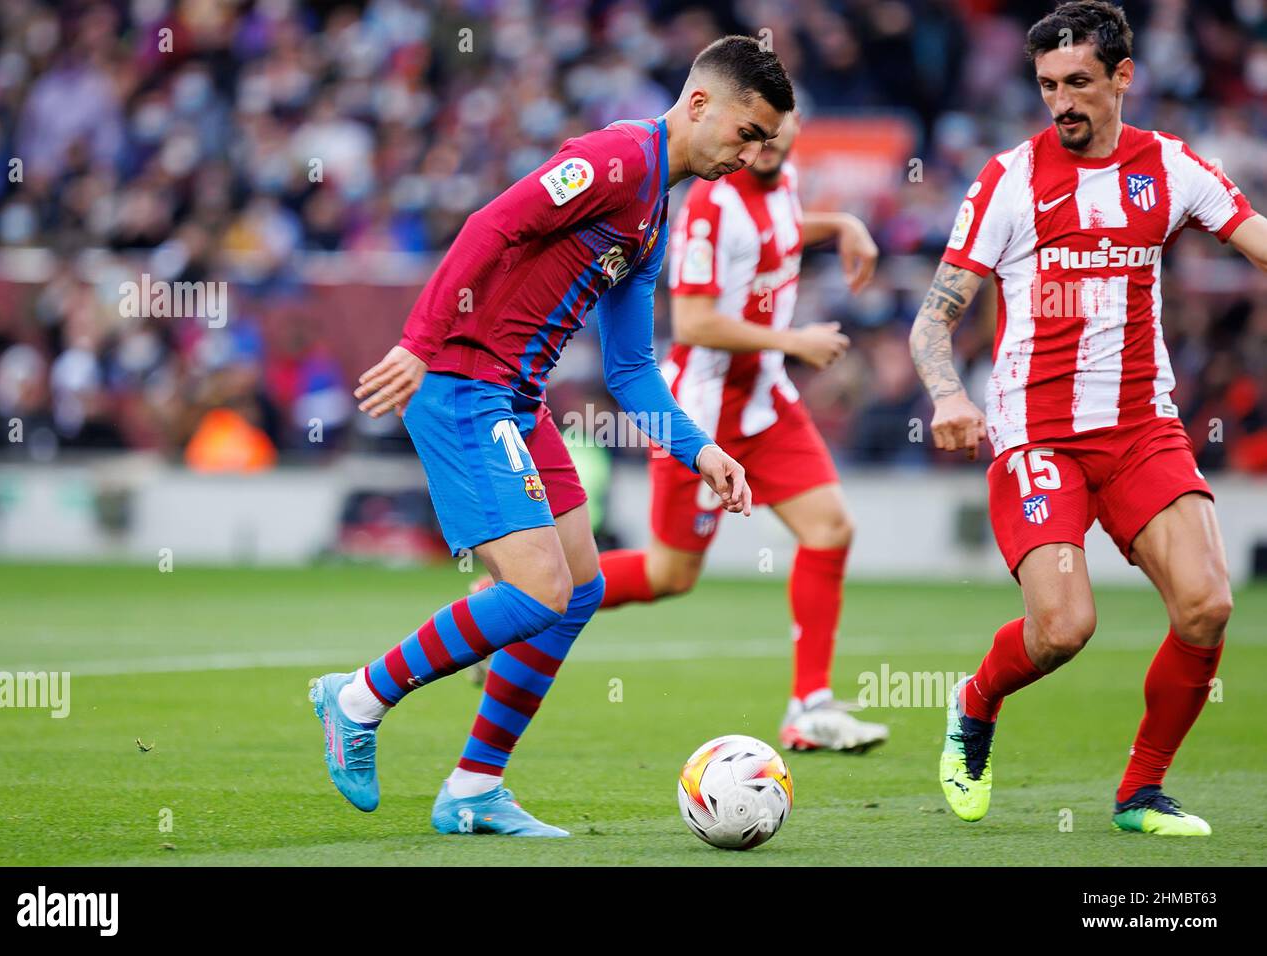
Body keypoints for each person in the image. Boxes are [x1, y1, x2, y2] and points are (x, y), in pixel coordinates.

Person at [310, 36, 795, 837]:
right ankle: (356, 699)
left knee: (582, 584)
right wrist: (417, 342)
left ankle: (473, 786)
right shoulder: (614, 161)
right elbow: (490, 224)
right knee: (537, 591)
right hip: (465, 384)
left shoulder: (654, 215)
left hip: (516, 401)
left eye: (764, 143)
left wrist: (703, 452)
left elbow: (633, 370)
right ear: (702, 104)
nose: (750, 155)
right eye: (747, 133)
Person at [910, 0, 1267, 835]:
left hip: (1142, 425)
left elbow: (1253, 236)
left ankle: (1140, 792)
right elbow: (933, 318)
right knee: (1064, 628)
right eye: (1046, 86)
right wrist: (948, 395)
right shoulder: (1007, 180)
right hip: (1038, 434)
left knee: (1209, 605)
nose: (1061, 101)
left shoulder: (1170, 167)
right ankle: (975, 701)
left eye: (1078, 83)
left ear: (1122, 78)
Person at [578, 111, 887, 752]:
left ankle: (810, 705)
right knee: (671, 575)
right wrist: (792, 339)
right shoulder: (709, 202)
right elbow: (691, 322)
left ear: (798, 123)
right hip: (702, 413)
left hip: (765, 402)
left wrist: (842, 225)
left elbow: (776, 236)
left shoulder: (784, 179)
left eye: (783, 123)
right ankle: (521, 596)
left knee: (831, 529)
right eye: (758, 129)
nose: (771, 139)